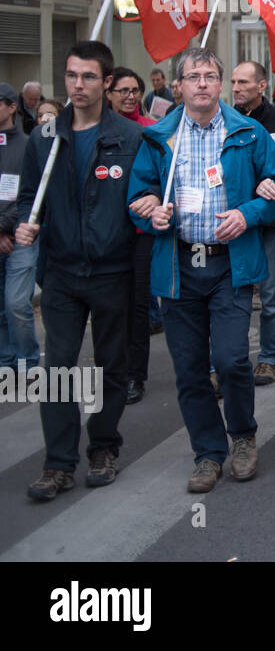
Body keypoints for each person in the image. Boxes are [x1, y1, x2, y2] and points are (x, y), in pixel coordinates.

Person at [128, 49, 275, 493]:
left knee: (231, 359)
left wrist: (251, 212)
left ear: (221, 85)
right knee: (190, 368)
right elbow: (139, 195)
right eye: (193, 76)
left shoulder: (249, 132)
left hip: (229, 266)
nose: (202, 83)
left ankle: (242, 437)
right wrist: (149, 214)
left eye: (210, 76)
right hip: (178, 265)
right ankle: (207, 452)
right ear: (178, 86)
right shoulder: (159, 137)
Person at [17, 42, 141, 500]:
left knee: (112, 367)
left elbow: (142, 203)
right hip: (63, 273)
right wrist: (22, 225)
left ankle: (104, 447)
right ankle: (58, 463)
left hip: (113, 272)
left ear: (107, 82)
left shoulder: (129, 139)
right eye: (71, 75)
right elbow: (29, 198)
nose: (78, 85)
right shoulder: (44, 138)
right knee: (58, 369)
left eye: (88, 77)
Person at [231, 61, 275, 387]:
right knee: (233, 298)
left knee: (272, 296)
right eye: (233, 82)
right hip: (233, 225)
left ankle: (270, 359)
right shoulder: (225, 121)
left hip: (270, 224)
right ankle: (231, 359)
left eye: (243, 82)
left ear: (261, 86)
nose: (236, 88)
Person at [106, 68, 157, 405]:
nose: (129, 96)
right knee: (110, 307)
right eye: (122, 90)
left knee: (138, 306)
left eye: (135, 90)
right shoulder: (96, 130)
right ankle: (111, 370)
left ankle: (135, 376)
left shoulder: (151, 130)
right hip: (106, 234)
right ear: (109, 93)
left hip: (141, 232)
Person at [0, 83, 39, 375]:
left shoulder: (29, 146)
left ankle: (27, 361)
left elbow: (31, 195)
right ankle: (5, 362)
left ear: (12, 107)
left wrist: (6, 228)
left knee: (16, 303)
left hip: (22, 237)